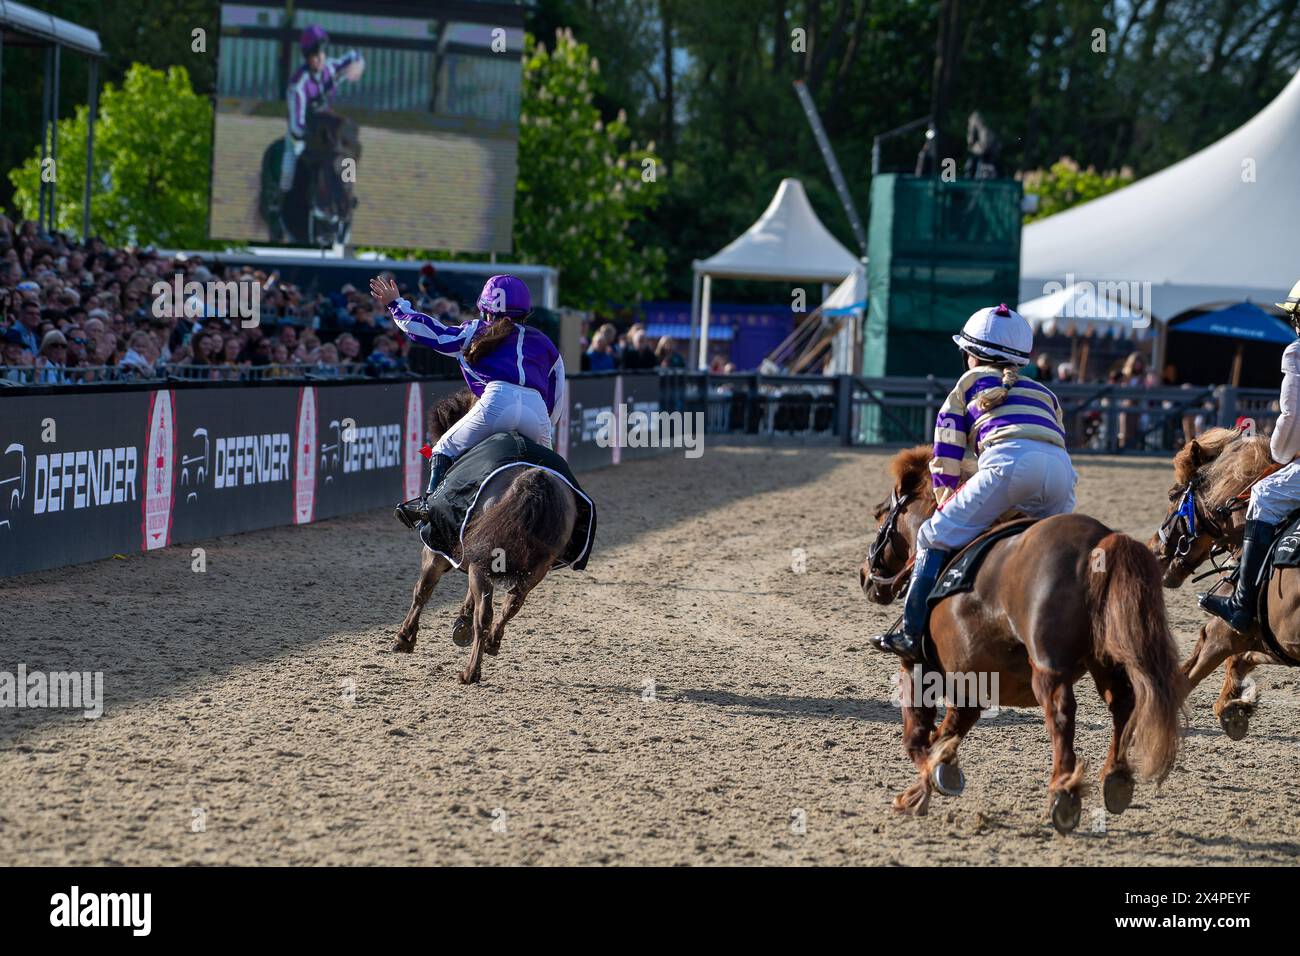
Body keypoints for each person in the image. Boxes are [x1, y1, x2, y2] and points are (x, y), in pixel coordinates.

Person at [873, 304, 1077, 662]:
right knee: (1051, 556)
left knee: (931, 535)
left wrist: (946, 493)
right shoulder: (1046, 393)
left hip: (1009, 467)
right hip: (1062, 475)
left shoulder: (966, 384)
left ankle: (910, 631)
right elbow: (1055, 438)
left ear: (971, 355)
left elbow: (946, 449)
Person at [371, 274, 566, 528]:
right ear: (526, 312)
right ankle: (563, 527)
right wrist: (544, 425)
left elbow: (431, 332)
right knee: (550, 474)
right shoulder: (546, 343)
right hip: (538, 412)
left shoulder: (476, 330)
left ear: (484, 309)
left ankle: (429, 509)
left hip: (496, 401)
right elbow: (557, 393)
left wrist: (397, 305)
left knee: (442, 448)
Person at [1199, 279, 1300, 630]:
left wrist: (1279, 454)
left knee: (1262, 493)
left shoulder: (1296, 352)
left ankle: (1241, 605)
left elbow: (1291, 417)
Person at [275, 26, 364, 228]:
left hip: (326, 129)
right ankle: (279, 202)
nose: (319, 59)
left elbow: (354, 57)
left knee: (348, 152)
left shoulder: (331, 68)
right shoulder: (298, 84)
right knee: (289, 165)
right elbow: (297, 124)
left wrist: (358, 65)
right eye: (314, 56)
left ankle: (347, 190)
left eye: (321, 53)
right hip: (302, 134)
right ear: (307, 57)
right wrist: (309, 137)